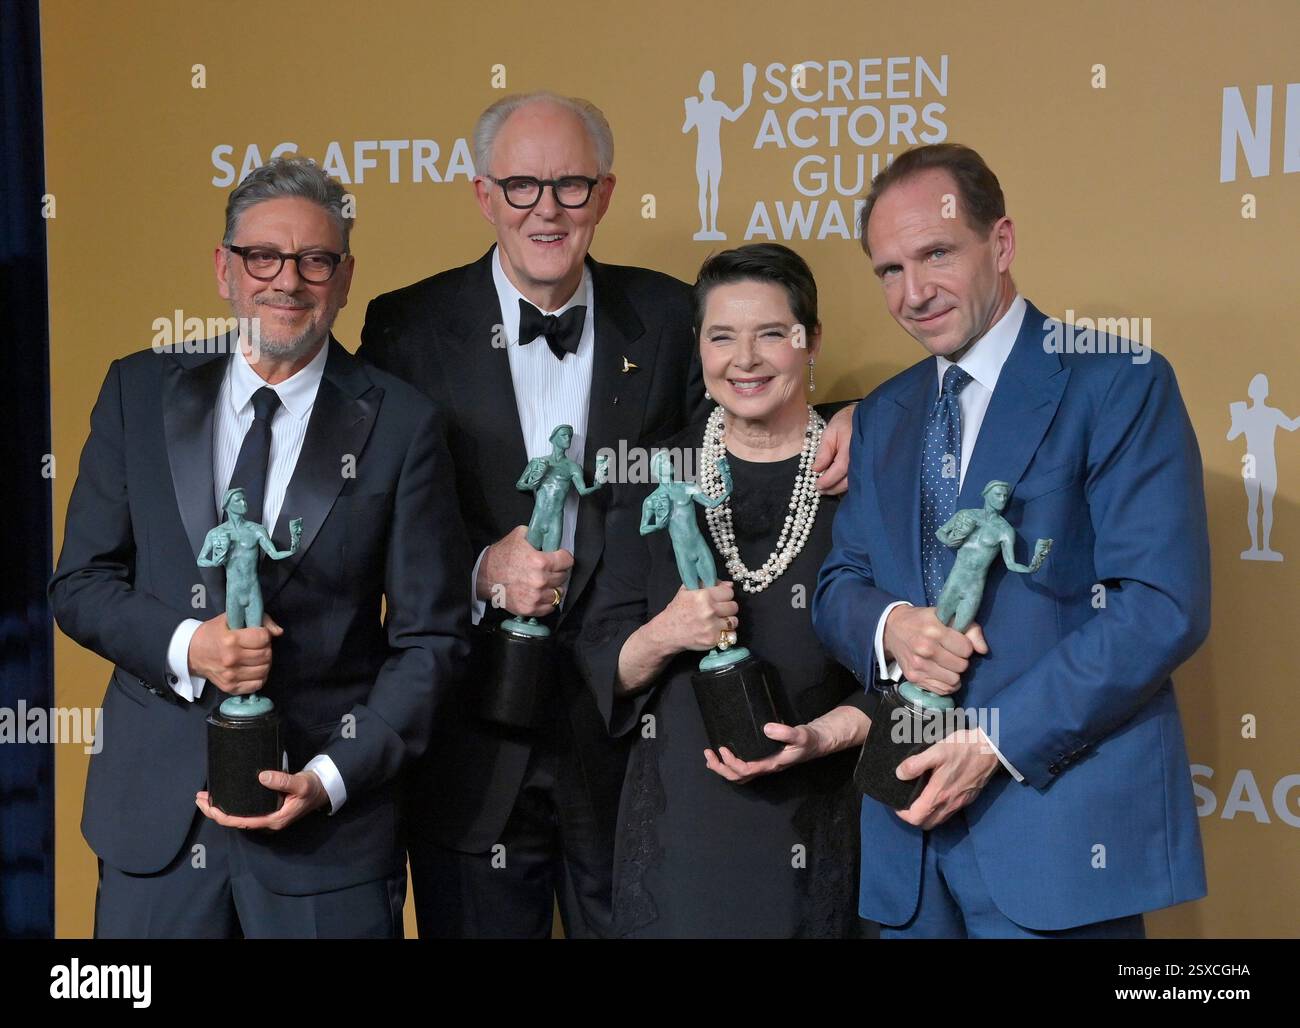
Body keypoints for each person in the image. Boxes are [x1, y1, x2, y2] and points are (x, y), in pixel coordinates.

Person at [358, 93, 857, 938]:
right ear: (485, 195)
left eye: (570, 185)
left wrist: (863, 418)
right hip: (473, 740)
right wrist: (484, 569)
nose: (546, 208)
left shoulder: (669, 316)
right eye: (521, 185)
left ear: (607, 194)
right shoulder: (407, 327)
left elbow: (758, 412)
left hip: (634, 753)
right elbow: (369, 520)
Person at [49, 157, 470, 938]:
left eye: (314, 260)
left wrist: (332, 777)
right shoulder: (136, 391)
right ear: (224, 269)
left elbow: (432, 641)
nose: (287, 281)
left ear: (343, 279)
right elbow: (80, 584)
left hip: (329, 843)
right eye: (262, 257)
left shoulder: (404, 425)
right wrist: (189, 646)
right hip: (154, 834)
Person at [813, 143, 1209, 938]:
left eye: (936, 254)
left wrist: (995, 741)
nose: (914, 293)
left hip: (1055, 836)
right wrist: (891, 626)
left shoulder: (1118, 380)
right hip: (908, 851)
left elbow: (1162, 606)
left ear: (1001, 243)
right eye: (889, 269)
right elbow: (839, 584)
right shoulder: (883, 414)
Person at [579, 244, 869, 938]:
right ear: (698, 349)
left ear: (811, 341)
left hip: (824, 819)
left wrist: (822, 738)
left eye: (772, 333)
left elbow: (907, 676)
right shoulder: (651, 473)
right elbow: (599, 665)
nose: (746, 359)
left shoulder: (865, 477)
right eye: (721, 336)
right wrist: (667, 632)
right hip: (683, 839)